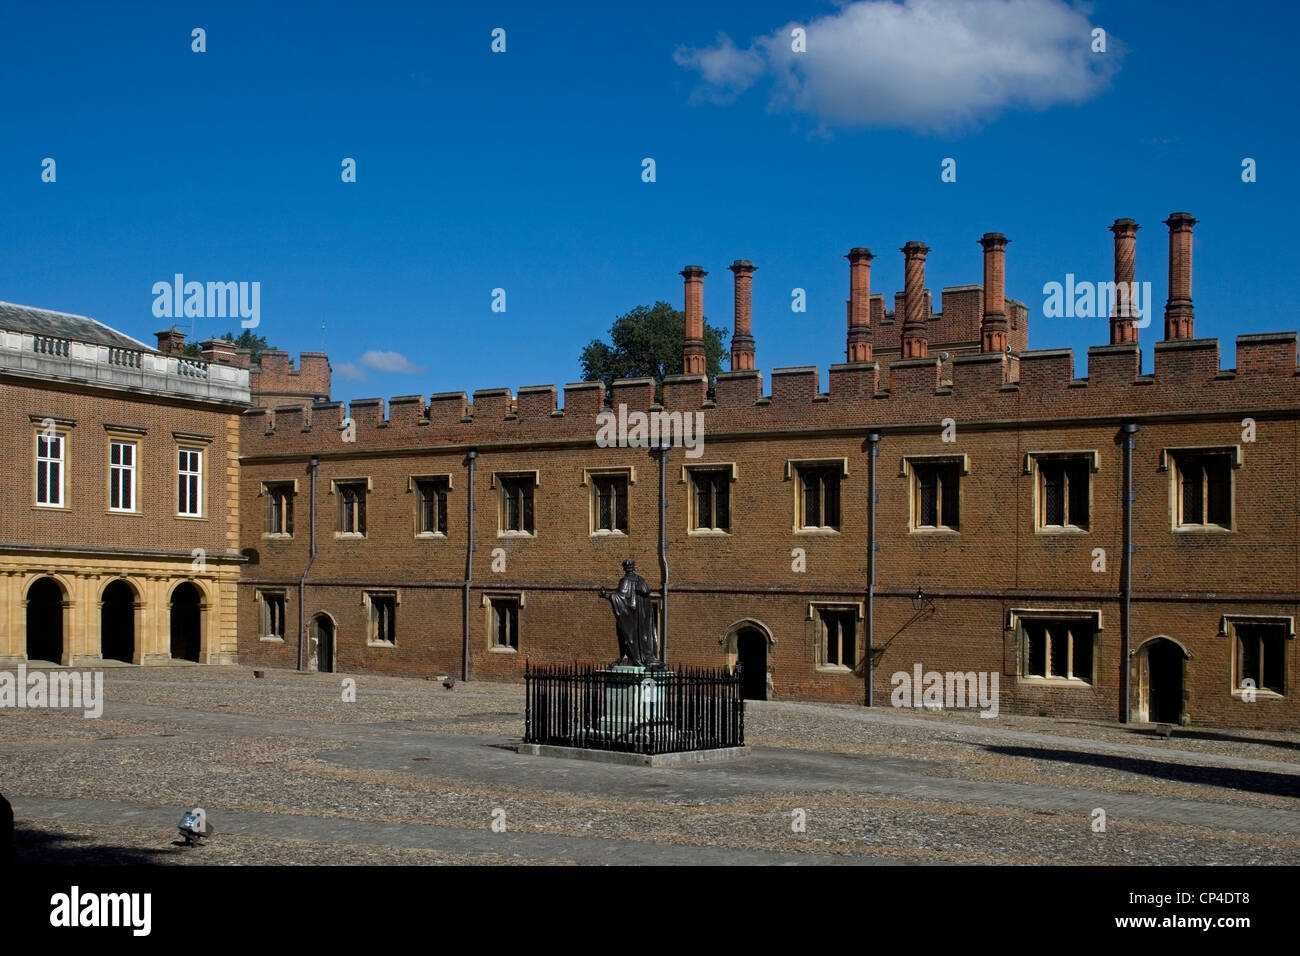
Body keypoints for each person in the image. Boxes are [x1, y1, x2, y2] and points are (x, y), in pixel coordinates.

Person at [598, 559, 663, 669]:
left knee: (623, 634)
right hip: (641, 619)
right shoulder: (640, 580)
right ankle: (636, 657)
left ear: (624, 568)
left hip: (628, 619)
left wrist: (606, 596)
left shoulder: (625, 581)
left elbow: (620, 597)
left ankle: (627, 657)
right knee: (637, 637)